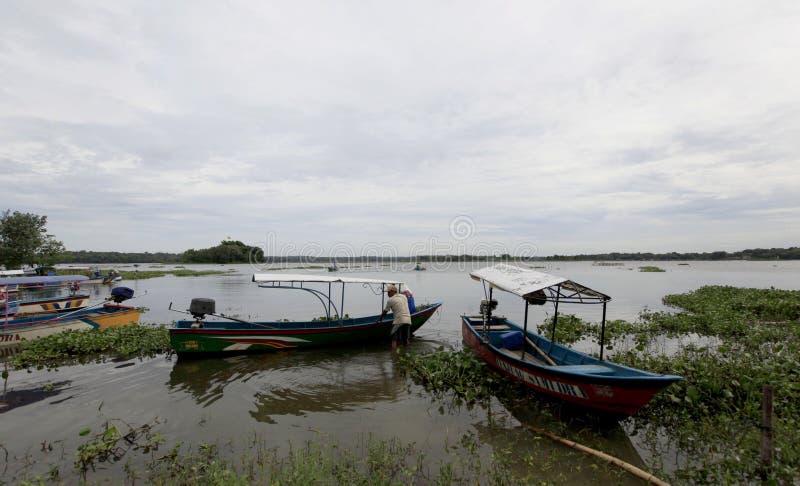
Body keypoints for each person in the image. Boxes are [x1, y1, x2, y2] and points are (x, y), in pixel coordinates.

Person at [378, 284, 411, 349]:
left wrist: (380, 319)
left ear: (393, 291)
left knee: (393, 338)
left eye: (389, 292)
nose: (388, 294)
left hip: (398, 320)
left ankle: (393, 352)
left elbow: (385, 312)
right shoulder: (404, 297)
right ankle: (407, 351)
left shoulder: (390, 300)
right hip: (408, 320)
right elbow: (406, 294)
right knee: (405, 338)